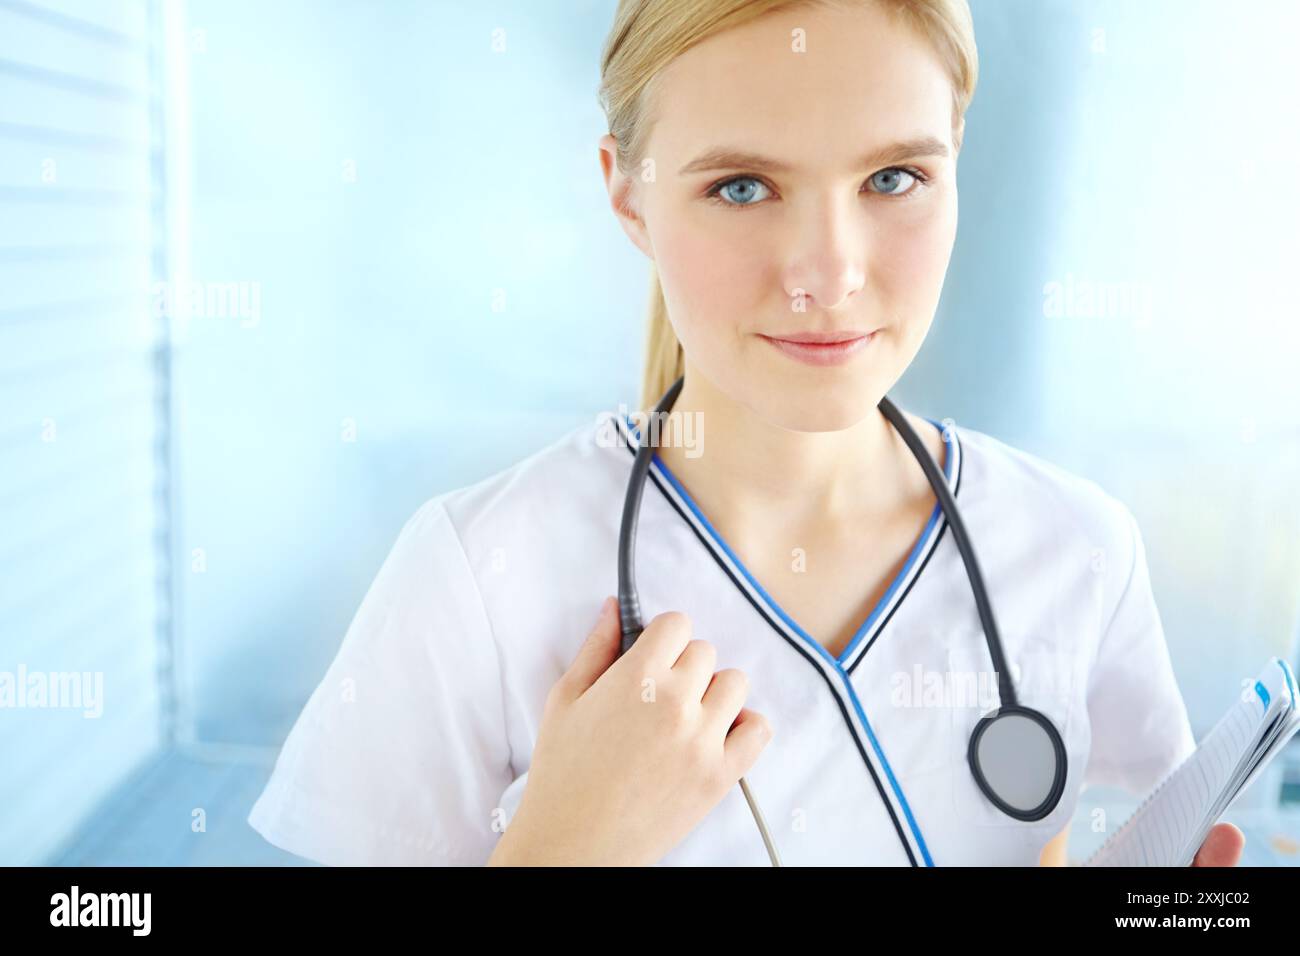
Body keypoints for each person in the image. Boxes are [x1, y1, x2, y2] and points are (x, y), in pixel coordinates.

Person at [247, 0, 1243, 867]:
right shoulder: (474, 577)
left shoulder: (1080, 551)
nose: (827, 271)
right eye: (741, 187)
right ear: (627, 193)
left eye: (893, 177)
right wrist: (561, 846)